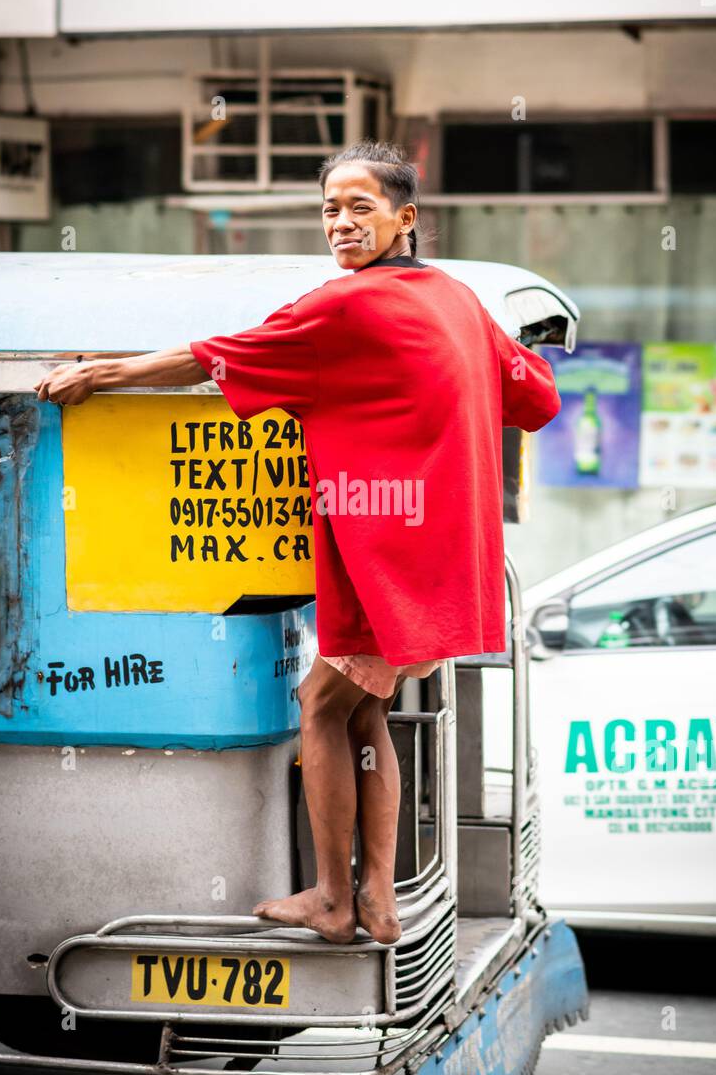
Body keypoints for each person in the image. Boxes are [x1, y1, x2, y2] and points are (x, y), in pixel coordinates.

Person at [34, 140, 561, 947]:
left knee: (319, 706)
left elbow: (208, 358)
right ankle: (376, 902)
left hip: (387, 561)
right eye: (329, 209)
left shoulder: (344, 308)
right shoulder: (457, 299)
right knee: (364, 717)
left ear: (404, 218)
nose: (342, 224)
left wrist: (100, 374)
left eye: (361, 208)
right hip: (444, 565)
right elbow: (539, 397)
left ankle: (332, 898)